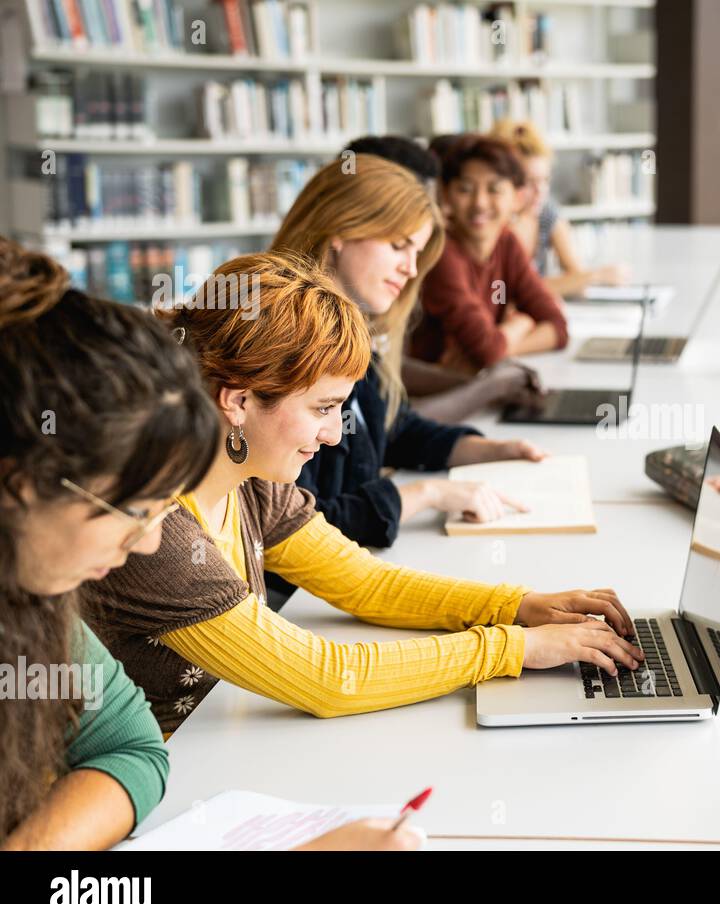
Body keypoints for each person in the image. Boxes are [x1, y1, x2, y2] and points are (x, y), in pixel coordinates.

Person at [81, 251, 643, 739]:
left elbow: (365, 582)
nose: (333, 434)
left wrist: (520, 607)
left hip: (217, 744)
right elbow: (326, 679)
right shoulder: (155, 528)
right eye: (322, 409)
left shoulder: (248, 477)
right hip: (159, 784)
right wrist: (515, 649)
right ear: (238, 401)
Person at [0, 239, 414, 850]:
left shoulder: (31, 595)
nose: (146, 541)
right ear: (22, 487)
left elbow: (128, 744)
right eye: (131, 509)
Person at [271, 154, 540, 551]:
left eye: (416, 252)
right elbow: (300, 526)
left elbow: (394, 427)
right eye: (399, 246)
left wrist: (494, 451)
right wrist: (425, 495)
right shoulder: (285, 346)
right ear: (340, 232)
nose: (411, 270)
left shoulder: (345, 328)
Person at [339, 135, 544, 418]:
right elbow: (388, 429)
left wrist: (478, 383)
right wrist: (488, 386)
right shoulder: (310, 315)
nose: (443, 216)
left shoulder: (365, 290)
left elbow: (383, 368)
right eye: (399, 243)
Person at [408, 135, 569, 373]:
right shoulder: (439, 251)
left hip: (478, 384)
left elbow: (558, 328)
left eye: (494, 189)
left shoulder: (506, 242)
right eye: (465, 189)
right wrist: (522, 323)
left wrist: (503, 344)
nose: (480, 203)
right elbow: (488, 349)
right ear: (446, 193)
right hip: (436, 394)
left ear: (518, 197)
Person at [490, 119, 628, 298]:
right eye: (529, 182)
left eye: (545, 180)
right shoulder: (489, 224)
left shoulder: (545, 213)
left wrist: (583, 279)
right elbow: (503, 293)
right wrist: (595, 276)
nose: (540, 191)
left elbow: (577, 279)